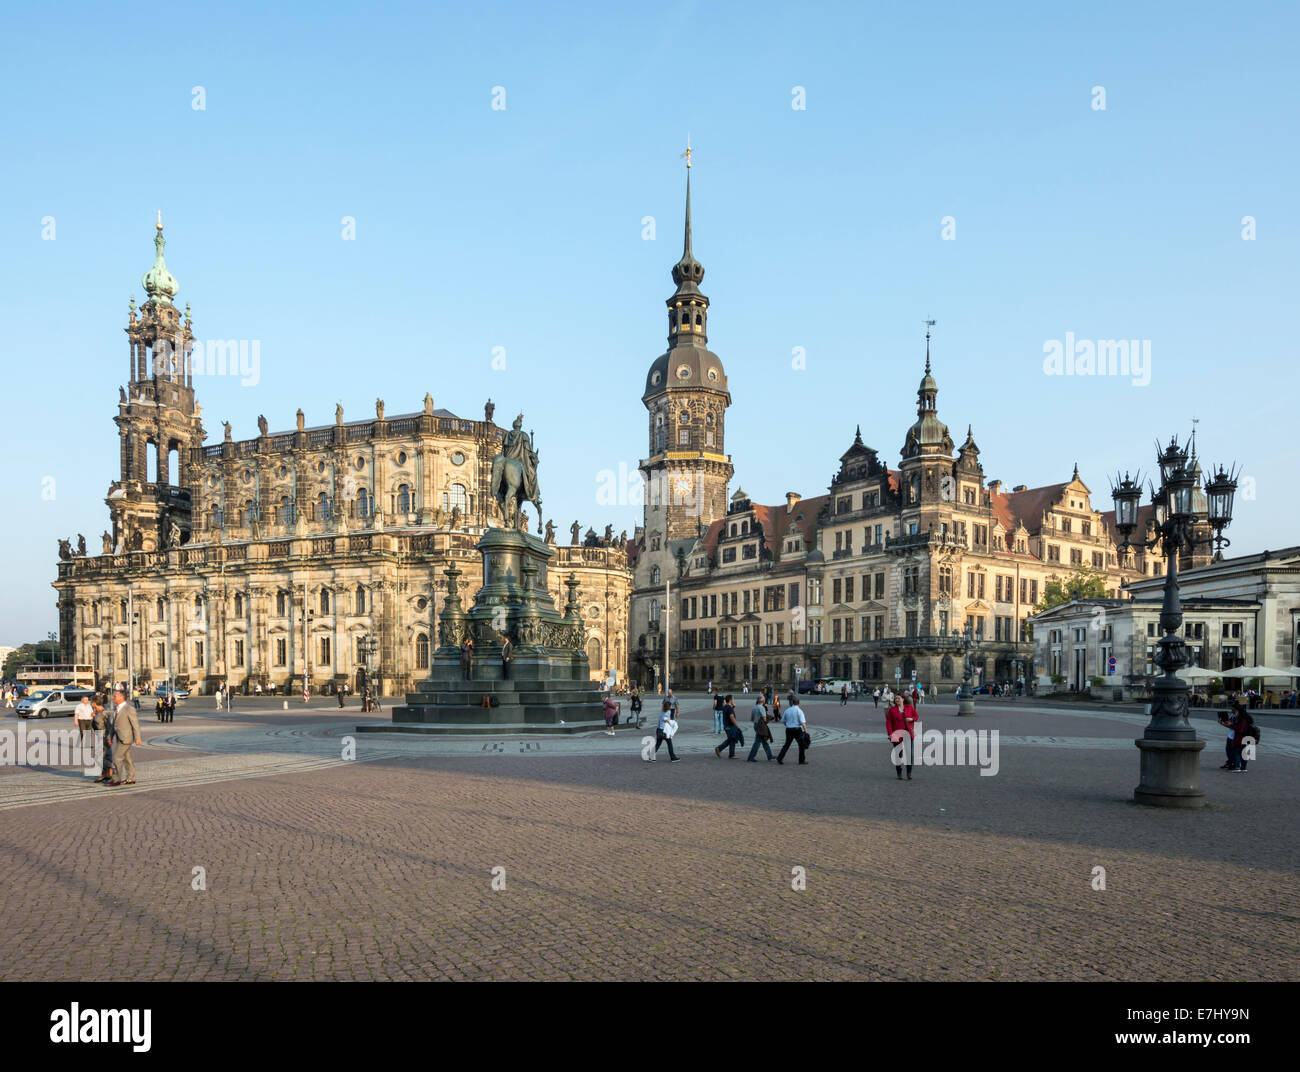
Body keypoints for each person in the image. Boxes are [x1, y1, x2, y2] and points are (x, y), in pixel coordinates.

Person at [108, 687, 141, 787]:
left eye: (115, 696)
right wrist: (110, 736)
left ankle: (116, 779)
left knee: (117, 758)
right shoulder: (116, 709)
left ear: (121, 697)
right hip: (119, 737)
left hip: (126, 738)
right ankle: (130, 778)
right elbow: (114, 724)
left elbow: (135, 724)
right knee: (126, 758)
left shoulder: (129, 709)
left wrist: (137, 738)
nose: (113, 698)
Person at [886, 692, 917, 780]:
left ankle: (909, 772)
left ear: (903, 699)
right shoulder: (892, 710)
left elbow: (916, 716)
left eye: (898, 698)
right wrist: (890, 733)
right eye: (895, 698)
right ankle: (899, 772)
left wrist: (912, 719)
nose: (896, 700)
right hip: (897, 734)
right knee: (898, 755)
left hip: (908, 734)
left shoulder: (909, 708)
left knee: (909, 754)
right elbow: (888, 722)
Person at [777, 694, 808, 765]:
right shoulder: (799, 711)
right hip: (797, 730)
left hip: (789, 729)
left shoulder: (787, 710)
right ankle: (801, 760)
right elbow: (803, 723)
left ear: (792, 702)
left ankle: (780, 758)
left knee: (787, 745)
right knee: (801, 745)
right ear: (799, 703)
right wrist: (806, 731)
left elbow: (783, 721)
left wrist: (787, 725)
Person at [92, 693, 115, 784]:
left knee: (104, 756)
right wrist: (93, 718)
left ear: (94, 703)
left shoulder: (104, 713)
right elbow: (95, 726)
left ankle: (110, 772)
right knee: (100, 756)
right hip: (99, 736)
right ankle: (104, 774)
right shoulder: (97, 713)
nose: (91, 704)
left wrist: (109, 737)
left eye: (91, 702)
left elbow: (109, 726)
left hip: (104, 736)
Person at [747, 696, 774, 762]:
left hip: (756, 725)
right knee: (757, 742)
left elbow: (752, 719)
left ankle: (770, 755)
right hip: (761, 726)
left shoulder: (754, 707)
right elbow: (764, 718)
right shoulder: (761, 708)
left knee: (764, 741)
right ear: (763, 701)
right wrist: (769, 719)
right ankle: (751, 757)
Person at [715, 694, 741, 759]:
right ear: (730, 700)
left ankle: (731, 754)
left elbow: (732, 714)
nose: (733, 700)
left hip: (726, 725)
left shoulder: (725, 707)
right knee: (731, 739)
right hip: (730, 726)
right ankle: (719, 748)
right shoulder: (729, 708)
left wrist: (733, 707)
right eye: (733, 699)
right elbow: (732, 716)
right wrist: (737, 725)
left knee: (732, 739)